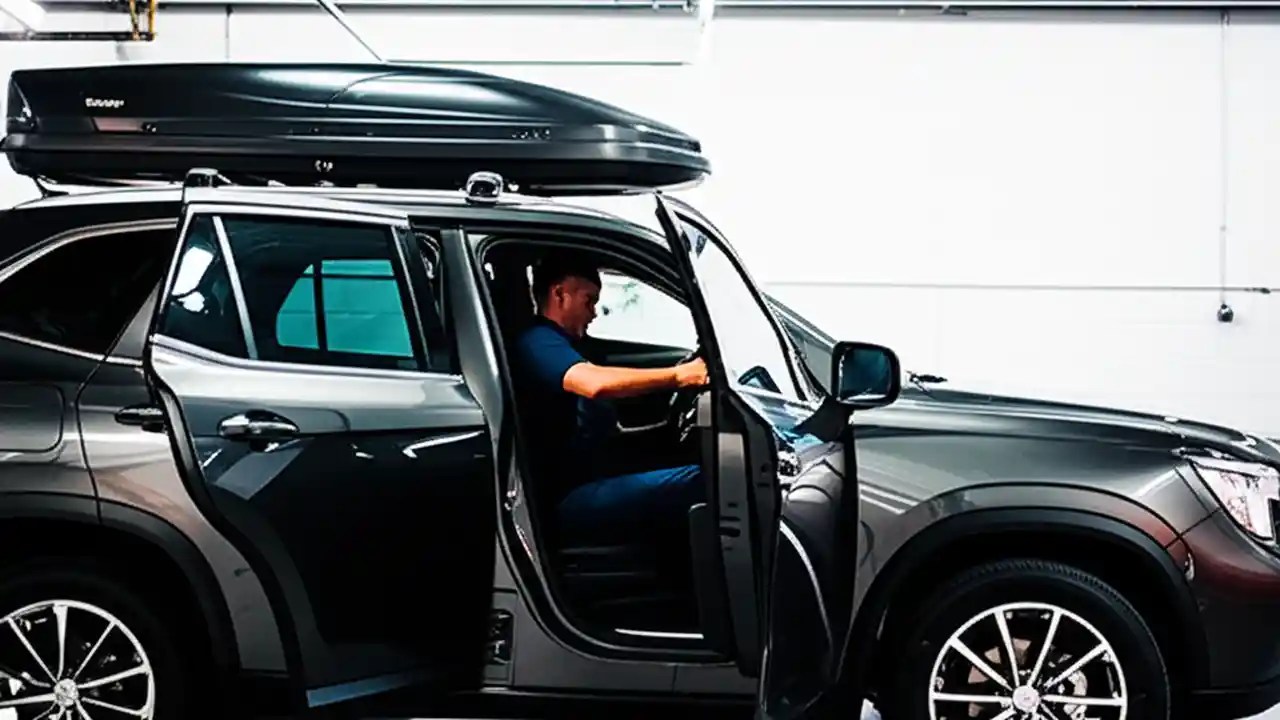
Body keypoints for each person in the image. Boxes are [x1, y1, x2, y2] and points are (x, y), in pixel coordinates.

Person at [511, 256, 709, 547]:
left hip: (586, 475)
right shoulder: (538, 341)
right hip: (568, 497)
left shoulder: (564, 344)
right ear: (559, 294)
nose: (594, 313)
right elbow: (594, 384)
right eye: (588, 301)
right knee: (706, 480)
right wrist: (680, 376)